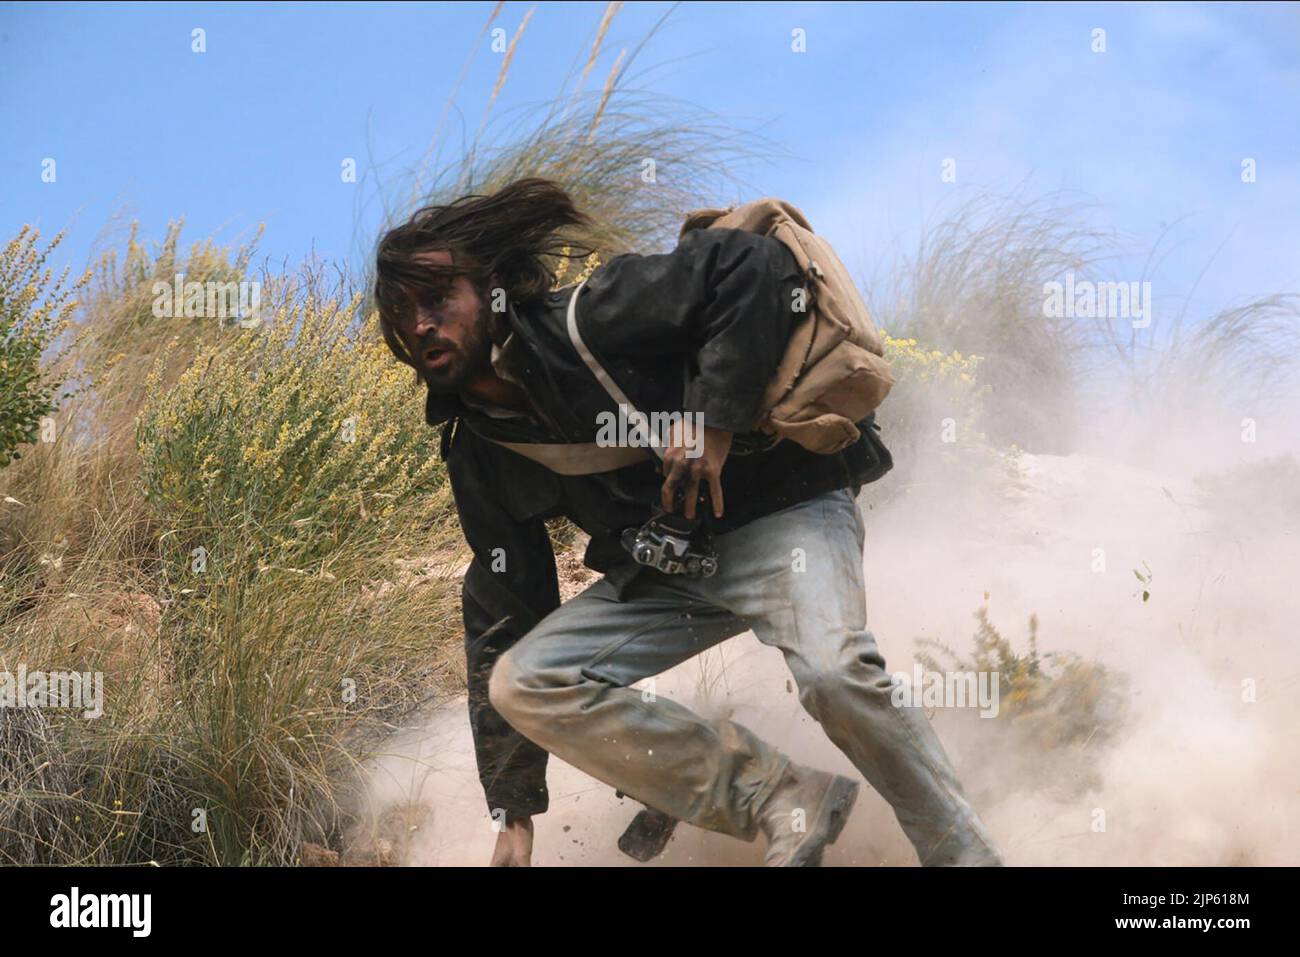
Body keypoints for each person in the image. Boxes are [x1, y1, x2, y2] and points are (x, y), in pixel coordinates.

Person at [375, 177, 1003, 867]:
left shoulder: (593, 316)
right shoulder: (478, 447)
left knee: (833, 674)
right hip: (674, 566)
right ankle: (779, 798)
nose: (421, 325)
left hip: (783, 515)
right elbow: (505, 610)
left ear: (491, 291)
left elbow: (755, 267)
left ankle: (965, 855)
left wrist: (713, 420)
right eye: (401, 312)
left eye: (438, 300)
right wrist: (514, 811)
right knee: (526, 679)